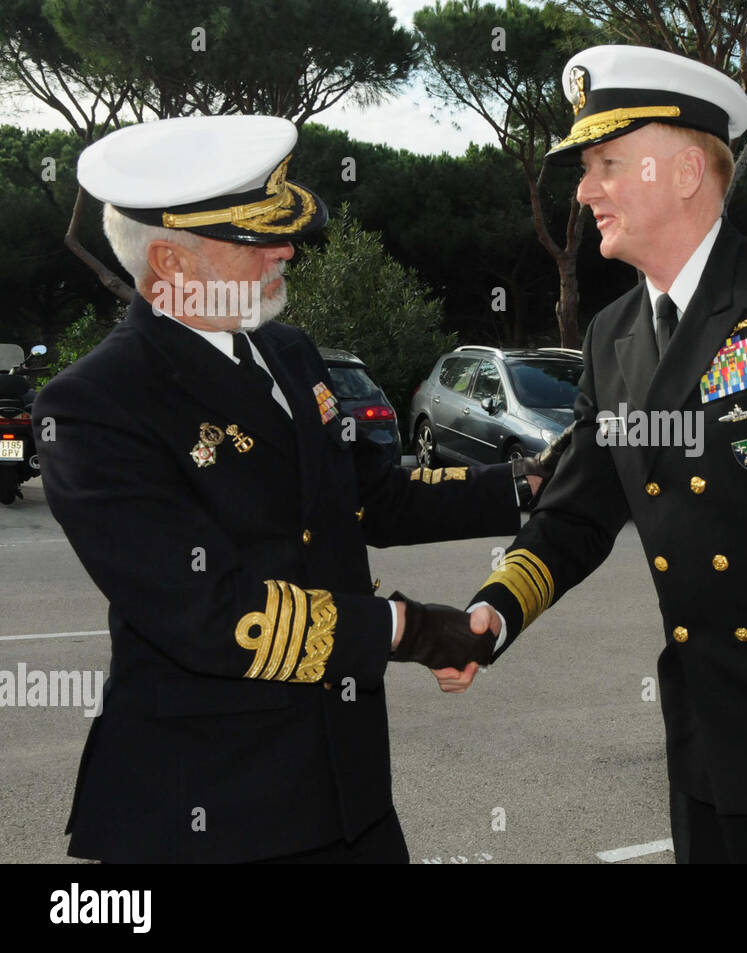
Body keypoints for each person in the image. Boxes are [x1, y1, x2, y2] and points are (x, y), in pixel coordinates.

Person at [449, 46, 747, 863]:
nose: (582, 191)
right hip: (709, 748)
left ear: (684, 173)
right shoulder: (611, 339)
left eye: (606, 163)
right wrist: (494, 611)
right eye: (585, 169)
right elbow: (574, 510)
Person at [35, 115, 546, 863]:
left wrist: (524, 485)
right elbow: (214, 613)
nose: (286, 250)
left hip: (347, 787)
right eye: (254, 239)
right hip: (209, 807)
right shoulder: (96, 406)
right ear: (172, 260)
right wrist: (407, 629)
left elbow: (371, 494)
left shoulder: (288, 349)